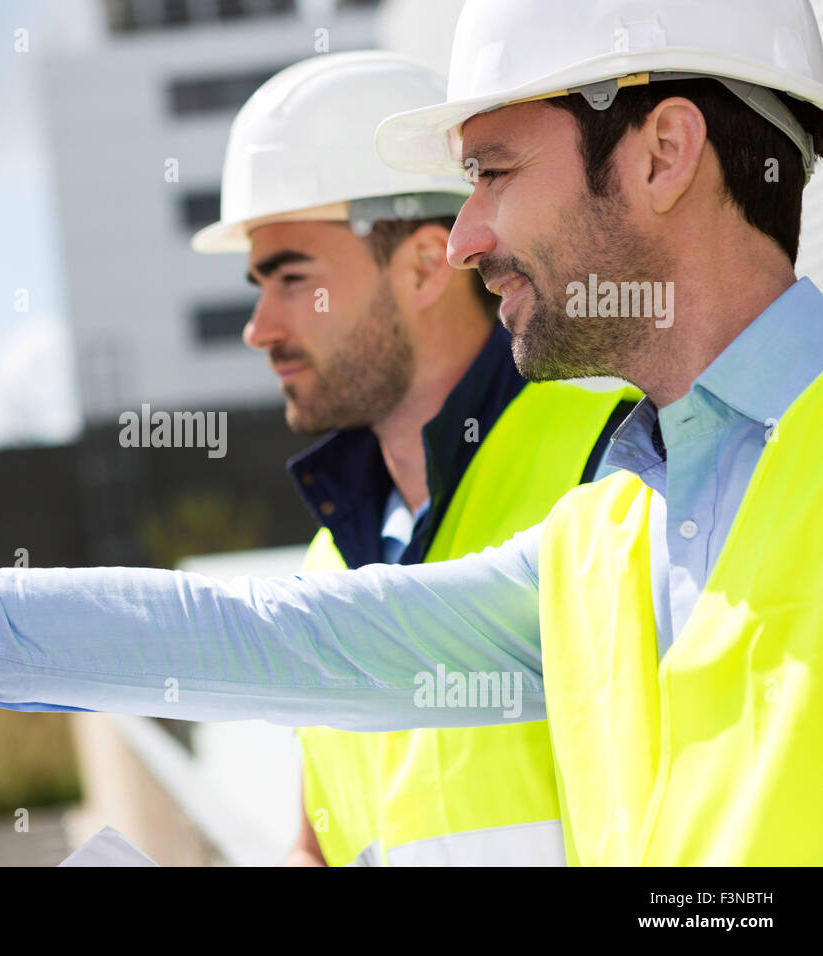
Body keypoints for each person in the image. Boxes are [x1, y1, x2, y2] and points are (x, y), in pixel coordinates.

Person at [0, 0, 823, 864]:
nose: (474, 231)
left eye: (495, 173)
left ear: (661, 154)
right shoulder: (607, 532)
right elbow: (234, 637)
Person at [189, 51, 634, 867]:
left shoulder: (620, 466)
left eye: (292, 278)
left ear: (428, 264)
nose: (260, 327)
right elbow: (321, 846)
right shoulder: (330, 561)